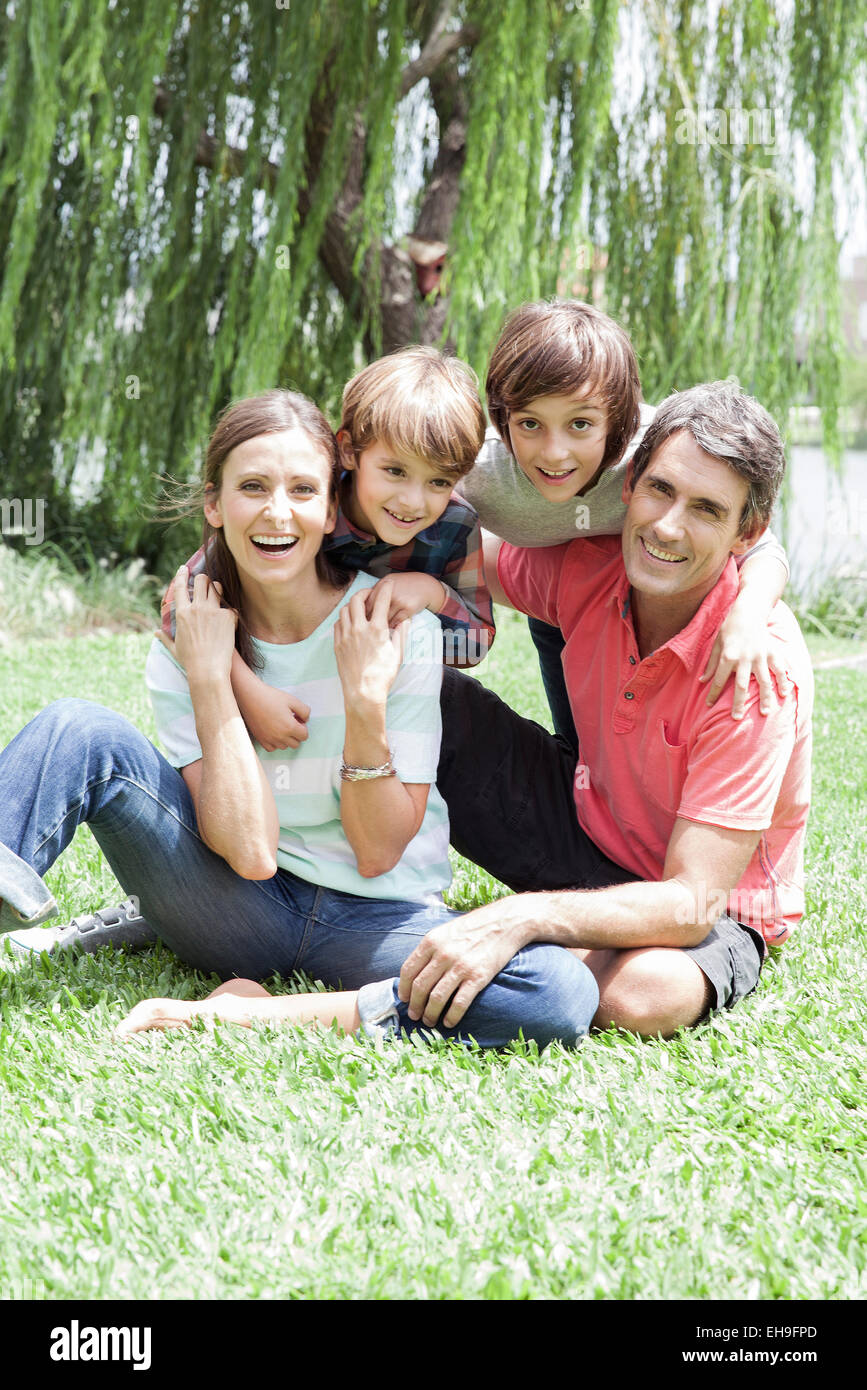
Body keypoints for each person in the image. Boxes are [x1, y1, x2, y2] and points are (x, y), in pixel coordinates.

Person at [0, 390, 598, 1049]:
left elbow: (377, 853)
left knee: (553, 988)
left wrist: (365, 705)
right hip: (233, 909)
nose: (276, 512)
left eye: (302, 490)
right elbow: (251, 854)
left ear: (328, 507)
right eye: (252, 486)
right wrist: (210, 677)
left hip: (379, 920)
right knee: (76, 728)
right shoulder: (192, 635)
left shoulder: (397, 627)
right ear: (213, 504)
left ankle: (249, 1012)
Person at [396, 380, 813, 1040]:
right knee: (416, 689)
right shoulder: (588, 568)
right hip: (588, 830)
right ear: (628, 488)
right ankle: (316, 896)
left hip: (708, 903)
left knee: (647, 994)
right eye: (660, 490)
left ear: (746, 533)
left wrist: (521, 917)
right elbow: (458, 556)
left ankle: (498, 955)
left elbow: (690, 902)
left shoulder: (756, 667)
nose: (669, 526)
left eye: (706, 509)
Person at [458, 300, 793, 748]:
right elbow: (396, 506)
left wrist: (749, 615)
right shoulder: (478, 472)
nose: (554, 453)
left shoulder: (658, 452)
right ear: (503, 419)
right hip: (560, 599)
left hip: (642, 592)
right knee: (584, 747)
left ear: (618, 420)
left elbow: (759, 544)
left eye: (580, 424)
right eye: (530, 424)